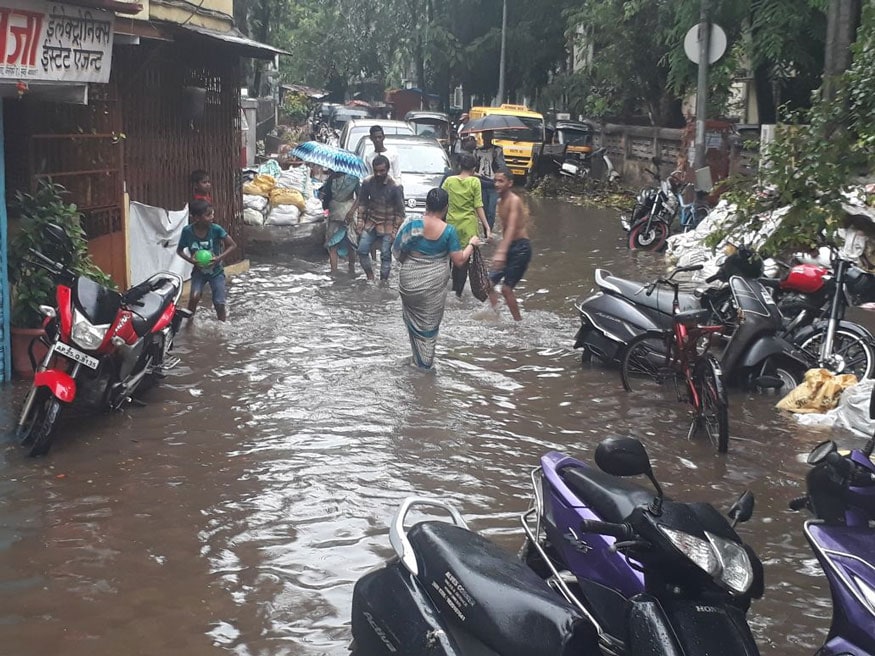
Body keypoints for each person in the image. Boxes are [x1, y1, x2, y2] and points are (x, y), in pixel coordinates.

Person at [393, 188, 481, 369]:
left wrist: (412, 263)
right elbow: (459, 261)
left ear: (426, 204)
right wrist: (472, 244)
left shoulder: (413, 224)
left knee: (413, 321)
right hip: (433, 285)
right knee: (428, 327)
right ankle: (424, 365)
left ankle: (417, 359)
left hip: (409, 282)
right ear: (446, 207)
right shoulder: (449, 231)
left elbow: (397, 252)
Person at [177, 199, 237, 322]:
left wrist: (218, 259)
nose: (212, 217)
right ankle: (189, 323)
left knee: (219, 303)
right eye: (208, 215)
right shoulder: (187, 232)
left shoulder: (216, 229)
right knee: (194, 297)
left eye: (212, 214)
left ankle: (222, 327)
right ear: (197, 218)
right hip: (198, 273)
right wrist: (191, 260)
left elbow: (232, 245)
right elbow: (179, 250)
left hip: (216, 272)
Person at [441, 153, 491, 296]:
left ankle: (450, 287)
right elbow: (478, 206)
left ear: (459, 166)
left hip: (451, 225)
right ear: (474, 168)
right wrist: (486, 227)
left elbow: (441, 201)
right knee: (463, 260)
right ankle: (458, 293)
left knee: (452, 257)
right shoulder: (475, 182)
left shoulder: (449, 181)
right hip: (468, 226)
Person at [488, 169, 531, 321]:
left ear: (510, 183)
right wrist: (496, 243)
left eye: (501, 181)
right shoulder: (500, 202)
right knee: (487, 284)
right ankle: (497, 316)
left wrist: (501, 252)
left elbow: (512, 227)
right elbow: (505, 229)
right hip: (509, 246)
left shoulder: (514, 201)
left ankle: (518, 323)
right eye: (495, 181)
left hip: (521, 248)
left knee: (506, 289)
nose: (497, 184)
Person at [355, 154, 406, 282]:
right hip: (371, 222)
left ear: (388, 169)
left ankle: (383, 281)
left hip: (388, 224)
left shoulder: (395, 187)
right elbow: (362, 203)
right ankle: (370, 277)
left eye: (382, 171)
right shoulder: (367, 183)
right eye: (376, 171)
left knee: (385, 254)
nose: (378, 174)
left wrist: (395, 231)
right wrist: (360, 221)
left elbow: (400, 213)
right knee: (361, 250)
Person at [320, 169, 359, 274]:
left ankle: (334, 272)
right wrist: (352, 211)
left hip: (336, 213)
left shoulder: (331, 179)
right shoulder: (354, 178)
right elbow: (360, 197)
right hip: (346, 213)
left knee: (334, 244)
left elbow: (325, 200)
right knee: (350, 242)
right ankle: (351, 269)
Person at [473, 130, 507, 229]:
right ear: (482, 137)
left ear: (492, 137)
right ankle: (486, 231)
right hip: (481, 183)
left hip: (493, 184)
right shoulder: (477, 151)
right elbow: (474, 167)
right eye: (485, 136)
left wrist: (496, 159)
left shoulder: (497, 150)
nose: (486, 138)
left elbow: (502, 167)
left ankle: (489, 232)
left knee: (491, 211)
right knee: (483, 210)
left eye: (489, 136)